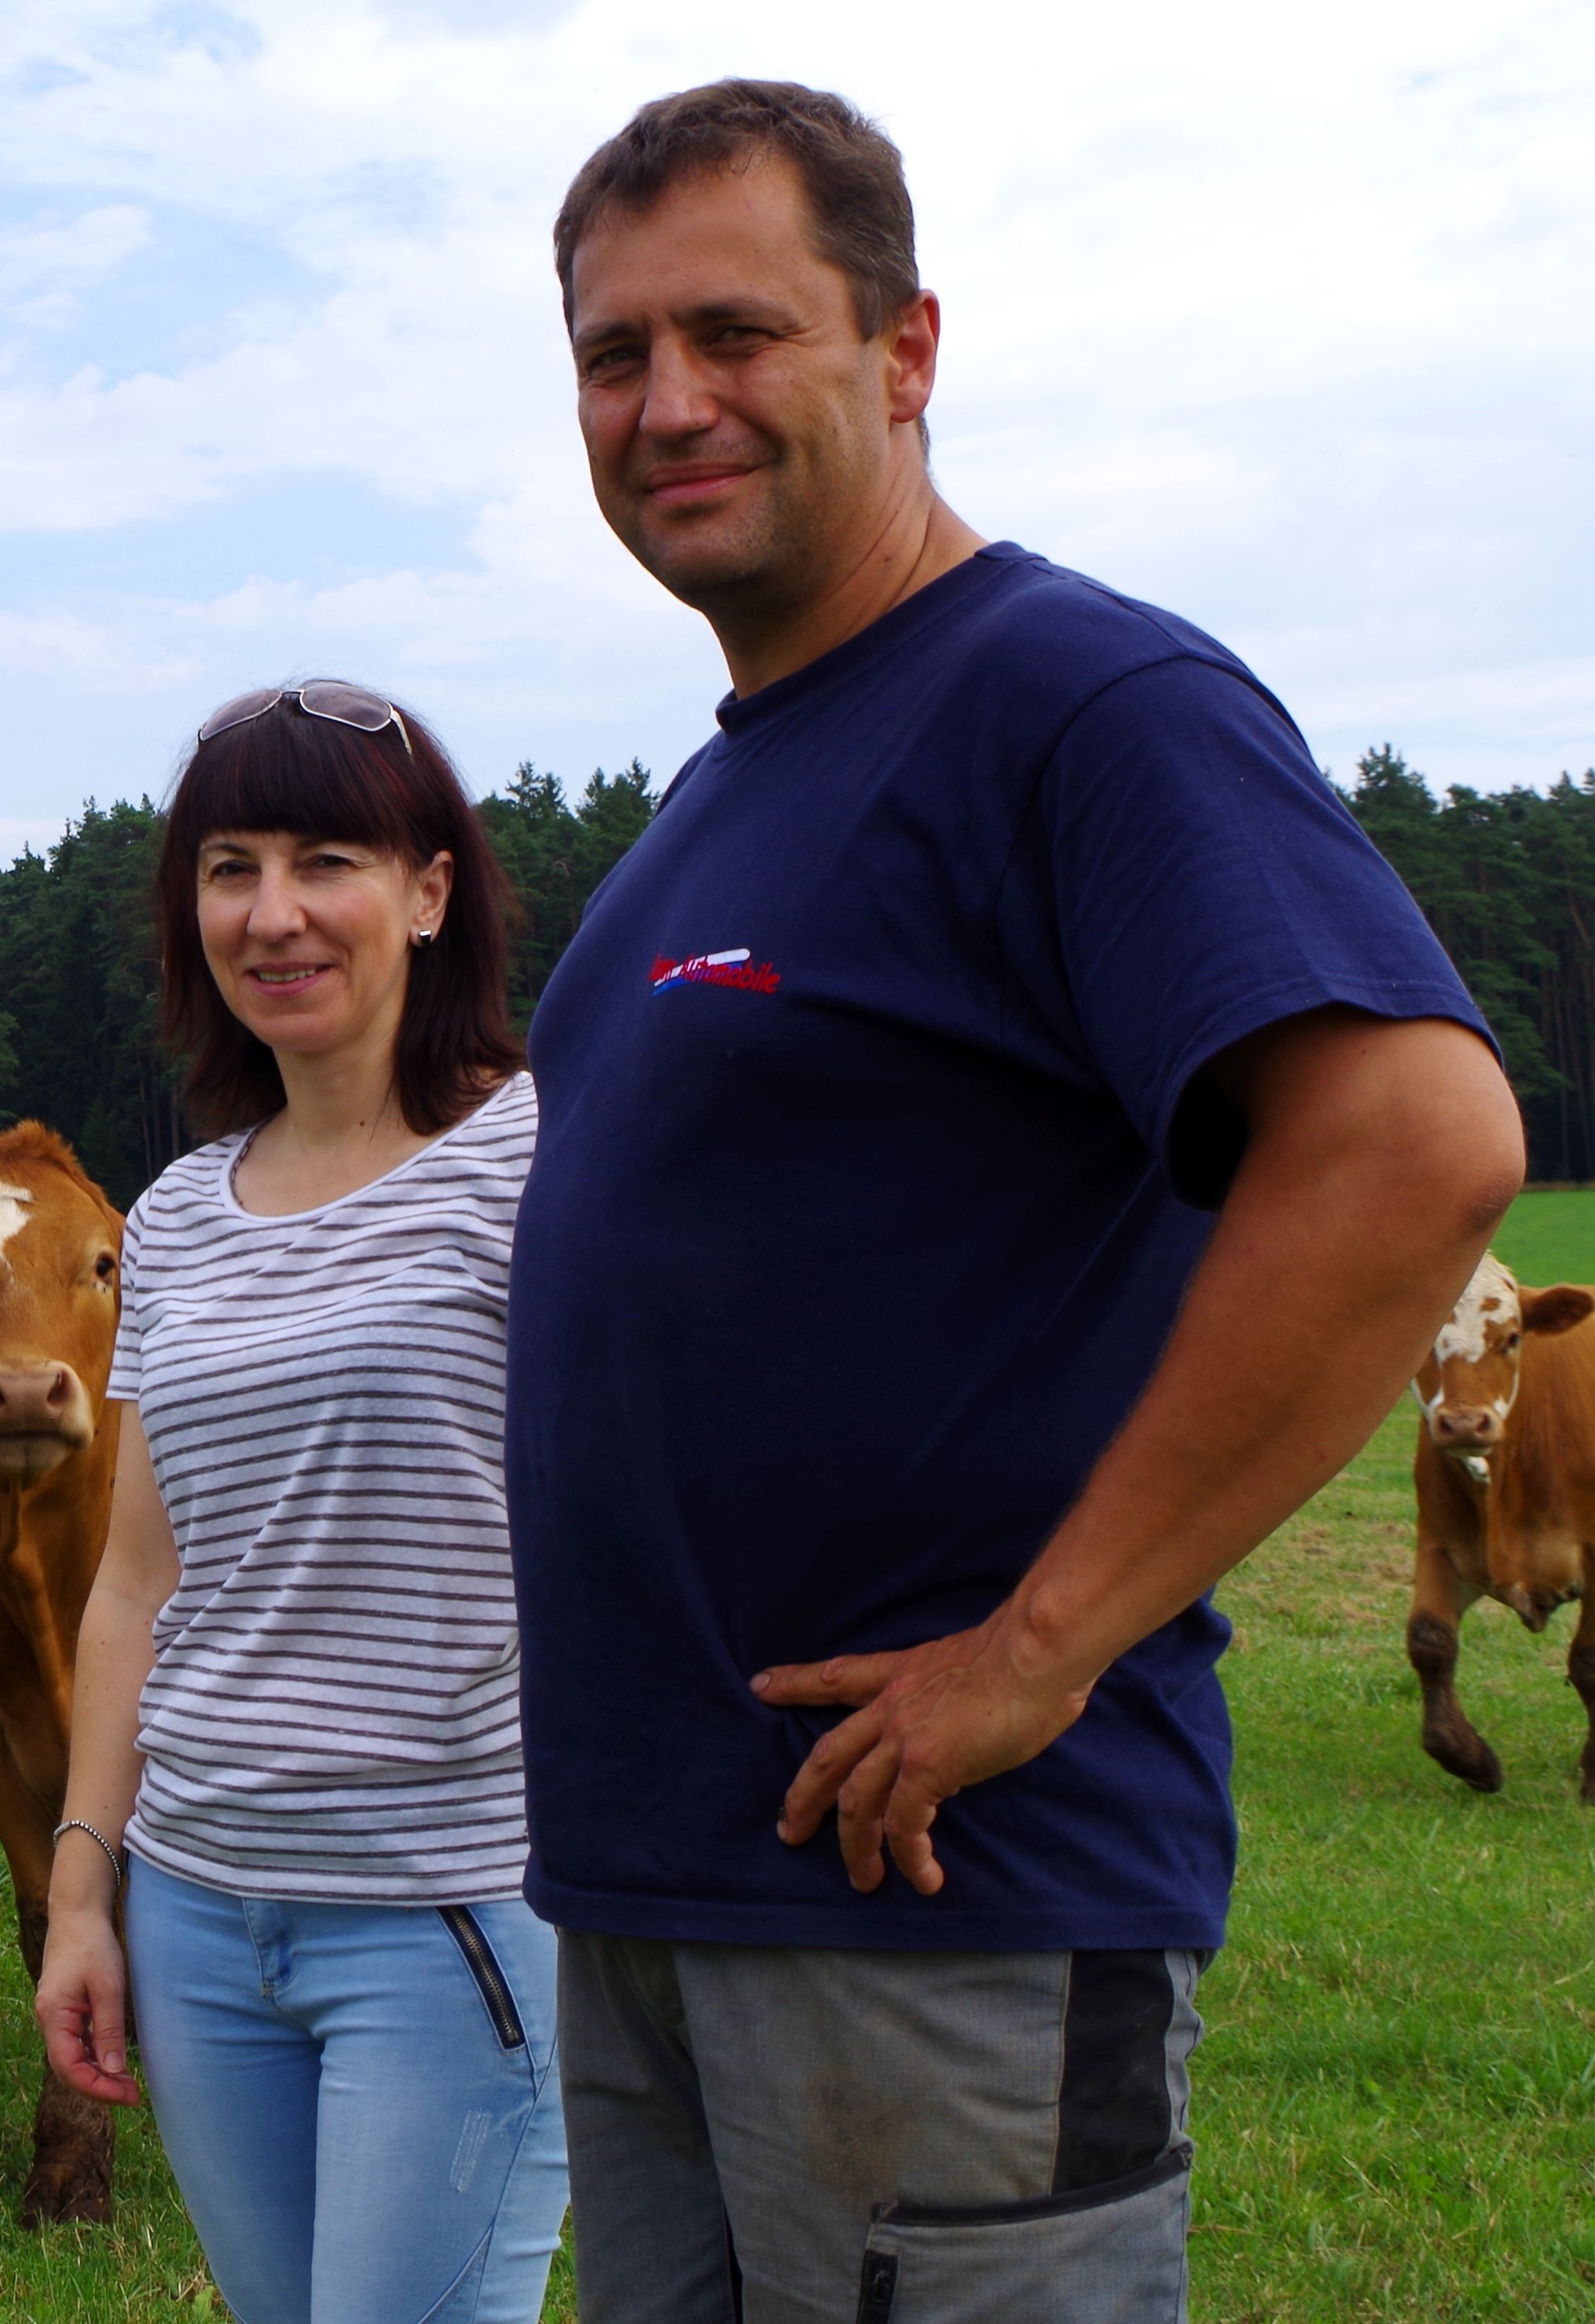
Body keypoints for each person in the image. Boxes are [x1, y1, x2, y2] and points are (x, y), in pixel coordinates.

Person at [509, 78, 1526, 2322]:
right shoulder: (717, 804)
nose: (663, 402)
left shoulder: (1070, 698)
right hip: (664, 1898)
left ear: (903, 347)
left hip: (937, 1909)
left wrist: (1036, 1647)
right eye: (608, 355)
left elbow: (1413, 1143)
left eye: (731, 332)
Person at [34, 681, 569, 2324]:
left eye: (327, 859)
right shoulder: (180, 1216)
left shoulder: (550, 1156)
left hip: (448, 1915)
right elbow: (137, 1584)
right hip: (194, 1915)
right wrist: (82, 1891)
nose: (272, 915)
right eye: (228, 867)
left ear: (428, 893)